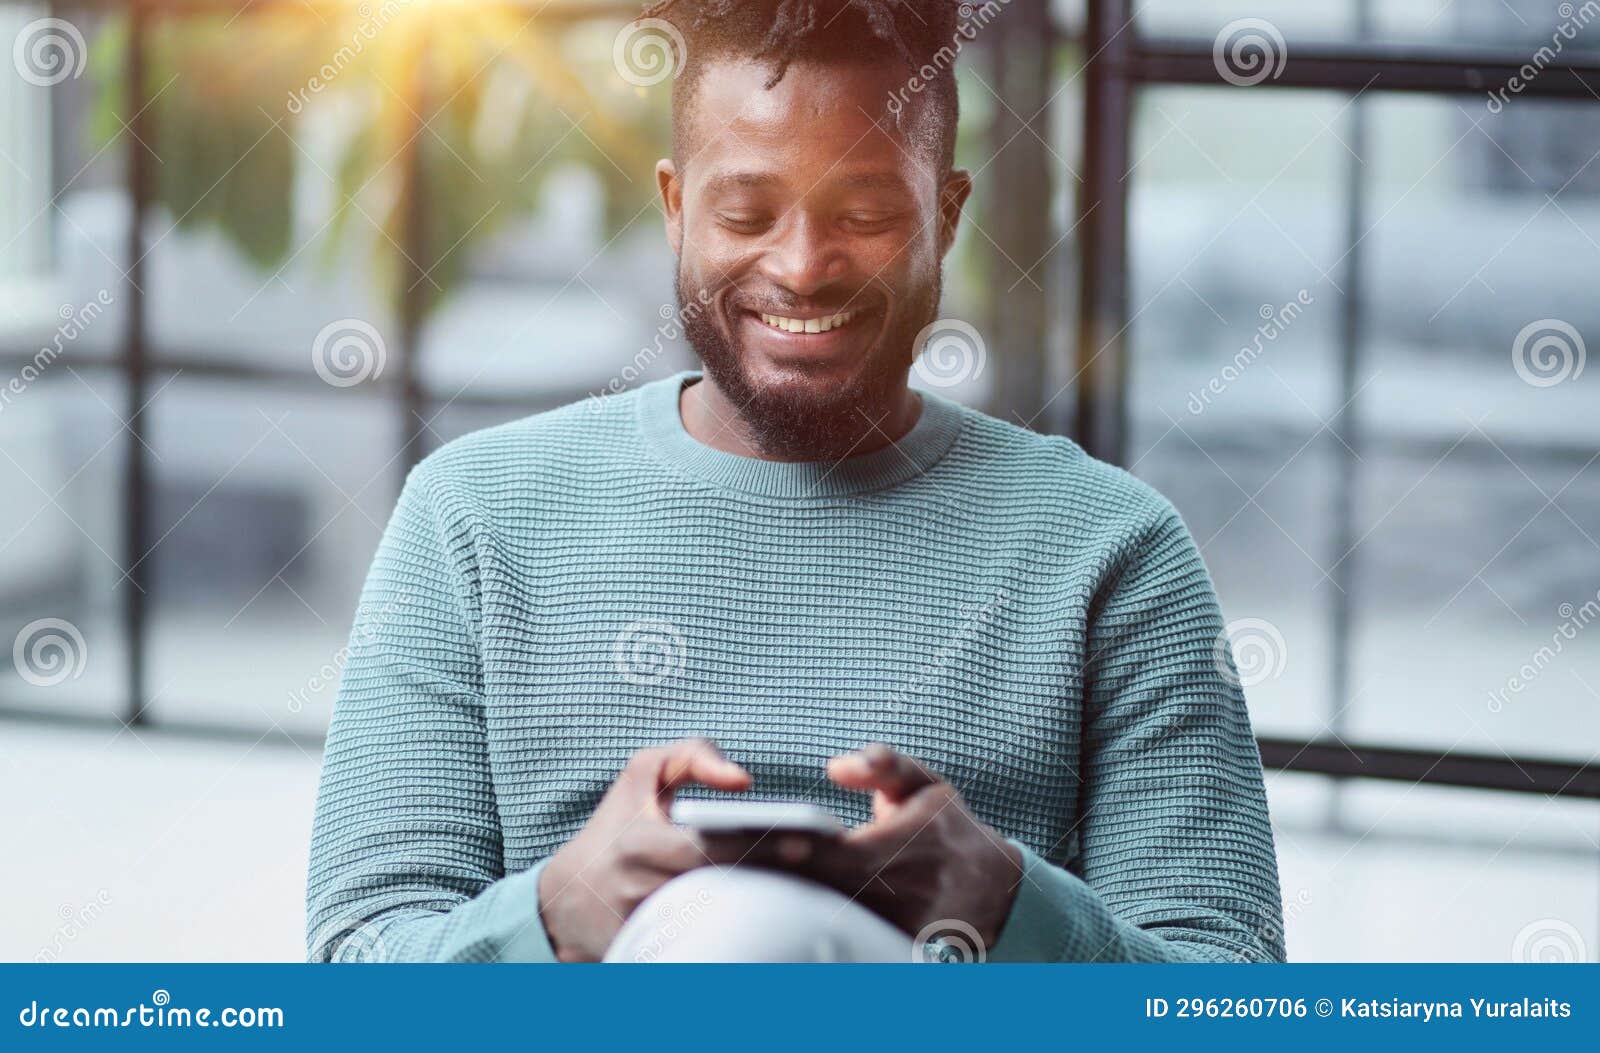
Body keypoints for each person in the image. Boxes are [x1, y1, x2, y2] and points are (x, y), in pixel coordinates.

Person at [305, 0, 1286, 964]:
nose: (803, 266)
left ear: (945, 217)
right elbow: (353, 968)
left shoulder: (1110, 548)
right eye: (747, 211)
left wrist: (1005, 906)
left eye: (863, 213)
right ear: (675, 207)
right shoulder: (473, 517)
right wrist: (553, 918)